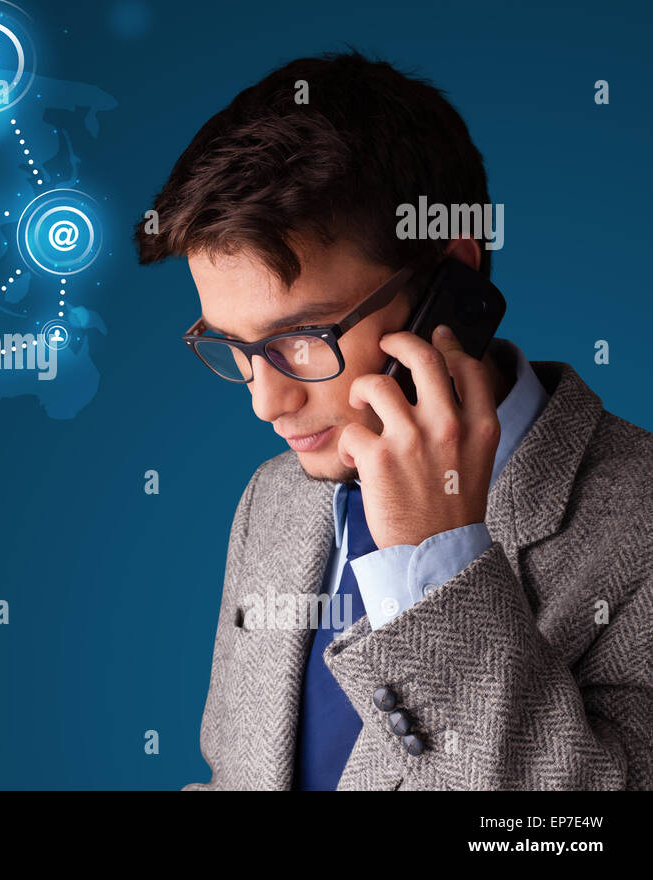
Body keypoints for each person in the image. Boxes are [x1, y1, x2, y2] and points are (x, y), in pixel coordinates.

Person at [134, 51, 652, 790]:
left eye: (303, 338)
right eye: (232, 346)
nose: (265, 401)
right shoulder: (273, 502)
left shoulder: (640, 522)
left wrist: (436, 563)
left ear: (453, 281)